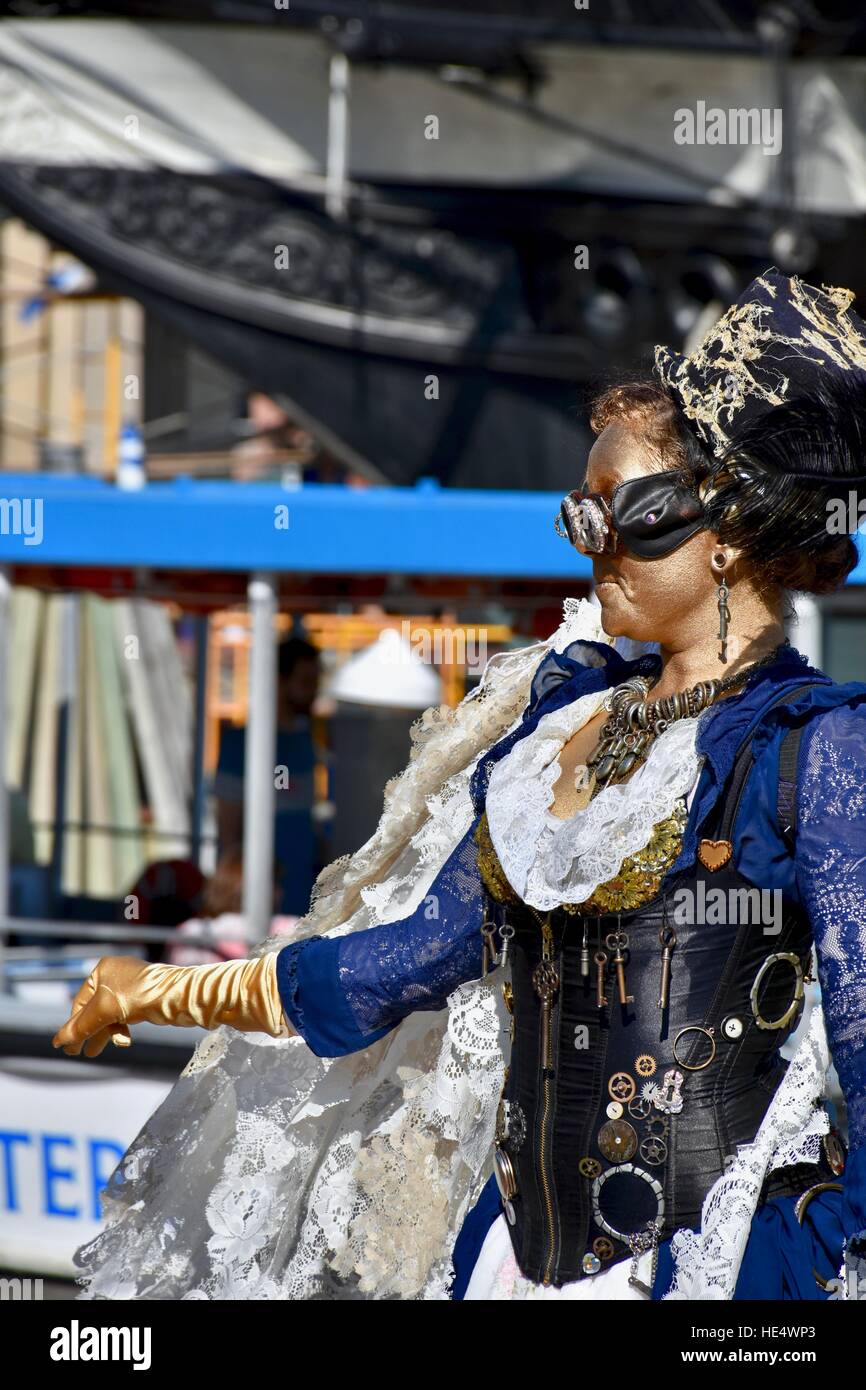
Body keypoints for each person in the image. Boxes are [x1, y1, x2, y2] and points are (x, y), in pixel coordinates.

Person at [52, 268, 866, 1302]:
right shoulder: (561, 721)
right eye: (581, 512)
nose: (589, 546)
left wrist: (798, 1258)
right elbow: (406, 961)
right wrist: (153, 990)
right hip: (504, 1265)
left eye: (618, 513)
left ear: (729, 531)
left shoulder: (817, 751)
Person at [214, 634, 320, 917]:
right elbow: (228, 834)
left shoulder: (308, 741)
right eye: (305, 683)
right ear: (279, 681)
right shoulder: (240, 746)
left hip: (302, 907)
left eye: (316, 682)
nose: (314, 692)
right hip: (255, 911)